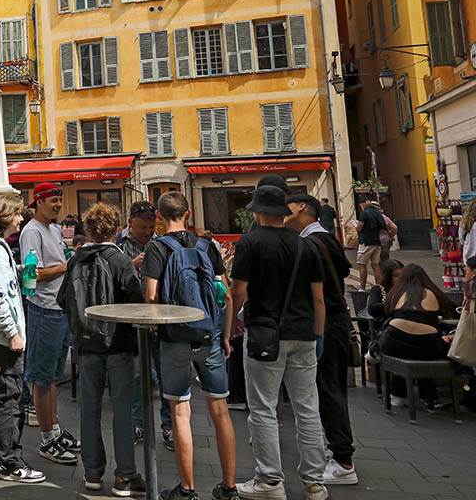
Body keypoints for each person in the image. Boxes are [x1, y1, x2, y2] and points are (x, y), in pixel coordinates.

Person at [230, 185, 328, 500]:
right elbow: (319, 299)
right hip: (303, 335)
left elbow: (239, 290)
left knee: (262, 408)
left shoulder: (251, 242)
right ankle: (314, 482)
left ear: (258, 211)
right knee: (307, 407)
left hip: (264, 334)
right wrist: (319, 333)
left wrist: (232, 323)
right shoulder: (306, 246)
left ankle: (270, 481)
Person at [144, 192, 235, 500]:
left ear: (159, 214)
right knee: (220, 409)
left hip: (175, 338)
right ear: (188, 214)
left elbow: (153, 298)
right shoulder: (207, 246)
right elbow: (226, 293)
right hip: (208, 336)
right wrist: (224, 335)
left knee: (180, 412)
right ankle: (229, 486)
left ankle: (187, 489)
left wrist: (159, 332)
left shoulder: (157, 248)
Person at [68, 202, 145, 497]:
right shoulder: (120, 259)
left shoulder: (77, 260)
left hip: (87, 344)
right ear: (115, 228)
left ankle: (92, 473)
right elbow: (135, 302)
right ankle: (124, 475)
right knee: (123, 409)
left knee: (90, 409)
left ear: (88, 229)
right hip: (118, 344)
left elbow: (66, 299)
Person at [0, 195, 44, 484]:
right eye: (17, 215)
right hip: (1, 337)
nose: (20, 219)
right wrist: (12, 333)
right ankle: (11, 463)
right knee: (8, 399)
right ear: (5, 217)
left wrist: (17, 271)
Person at [287, 193, 358, 486]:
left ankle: (343, 462)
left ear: (302, 207)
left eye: (286, 206)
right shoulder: (325, 239)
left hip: (325, 323)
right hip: (336, 321)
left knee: (328, 391)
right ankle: (337, 451)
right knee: (332, 389)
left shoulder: (311, 242)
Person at [18, 182, 78, 465]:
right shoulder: (31, 232)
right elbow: (34, 274)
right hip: (44, 309)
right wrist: (67, 266)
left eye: (59, 200)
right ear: (38, 202)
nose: (57, 205)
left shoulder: (54, 229)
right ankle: (45, 438)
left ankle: (53, 428)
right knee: (42, 378)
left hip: (59, 308)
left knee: (53, 376)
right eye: (52, 200)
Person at [379, 263, 457, 409]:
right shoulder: (433, 293)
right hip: (427, 346)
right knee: (441, 345)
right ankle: (429, 397)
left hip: (394, 342)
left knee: (398, 350)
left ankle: (398, 395)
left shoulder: (396, 293)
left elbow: (386, 313)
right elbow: (450, 309)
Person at [354, 199, 385, 291]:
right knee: (376, 265)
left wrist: (356, 226)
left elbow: (359, 229)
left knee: (361, 264)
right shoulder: (377, 213)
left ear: (364, 205)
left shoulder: (364, 213)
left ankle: (362, 288)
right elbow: (382, 227)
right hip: (376, 241)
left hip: (366, 242)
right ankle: (379, 287)